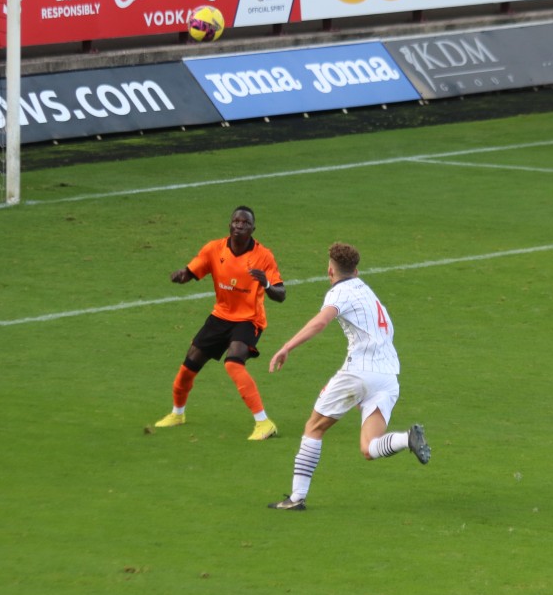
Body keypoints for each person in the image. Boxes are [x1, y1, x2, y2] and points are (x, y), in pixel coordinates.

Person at [267, 242, 429, 511]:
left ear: (330, 271)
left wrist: (286, 347)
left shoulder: (339, 293)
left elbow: (320, 322)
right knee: (369, 448)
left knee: (314, 427)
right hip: (388, 376)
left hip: (359, 372)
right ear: (356, 270)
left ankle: (296, 498)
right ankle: (406, 439)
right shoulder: (367, 290)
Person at [153, 206, 285, 440]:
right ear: (229, 225)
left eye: (245, 222)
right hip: (220, 316)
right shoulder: (214, 249)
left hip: (248, 319)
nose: (239, 225)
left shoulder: (263, 256)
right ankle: (177, 414)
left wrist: (265, 284)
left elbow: (281, 294)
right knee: (188, 367)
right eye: (236, 221)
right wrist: (181, 276)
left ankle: (264, 423)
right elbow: (191, 272)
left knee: (233, 363)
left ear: (253, 228)